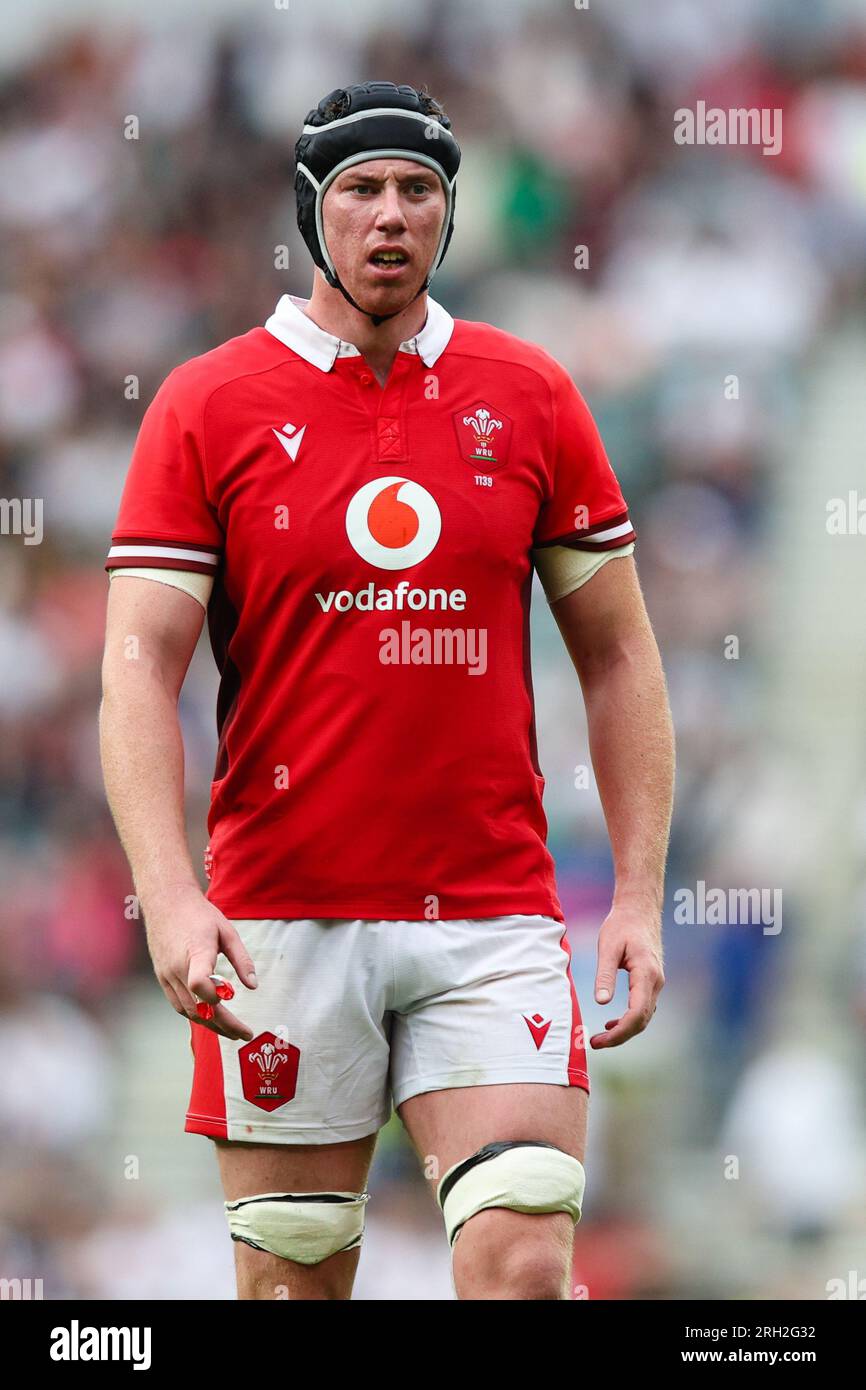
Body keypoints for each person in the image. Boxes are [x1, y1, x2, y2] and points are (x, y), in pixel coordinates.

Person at [99, 81, 674, 1301]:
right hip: (283, 917)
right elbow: (140, 667)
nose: (390, 216)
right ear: (312, 212)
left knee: (522, 1260)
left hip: (490, 910)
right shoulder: (208, 404)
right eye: (359, 190)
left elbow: (618, 652)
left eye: (418, 191)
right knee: (292, 1288)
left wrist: (633, 889)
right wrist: (165, 893)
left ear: (449, 215)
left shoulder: (529, 394)